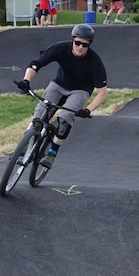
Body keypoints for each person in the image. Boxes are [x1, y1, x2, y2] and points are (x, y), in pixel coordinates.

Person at [13, 23, 108, 169]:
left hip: (80, 90)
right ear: (72, 40)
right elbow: (36, 64)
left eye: (85, 45)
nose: (80, 47)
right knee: (39, 116)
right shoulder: (60, 48)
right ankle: (28, 143)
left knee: (65, 119)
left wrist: (88, 110)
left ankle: (52, 152)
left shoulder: (94, 62)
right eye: (77, 43)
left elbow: (102, 92)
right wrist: (26, 81)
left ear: (89, 45)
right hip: (58, 85)